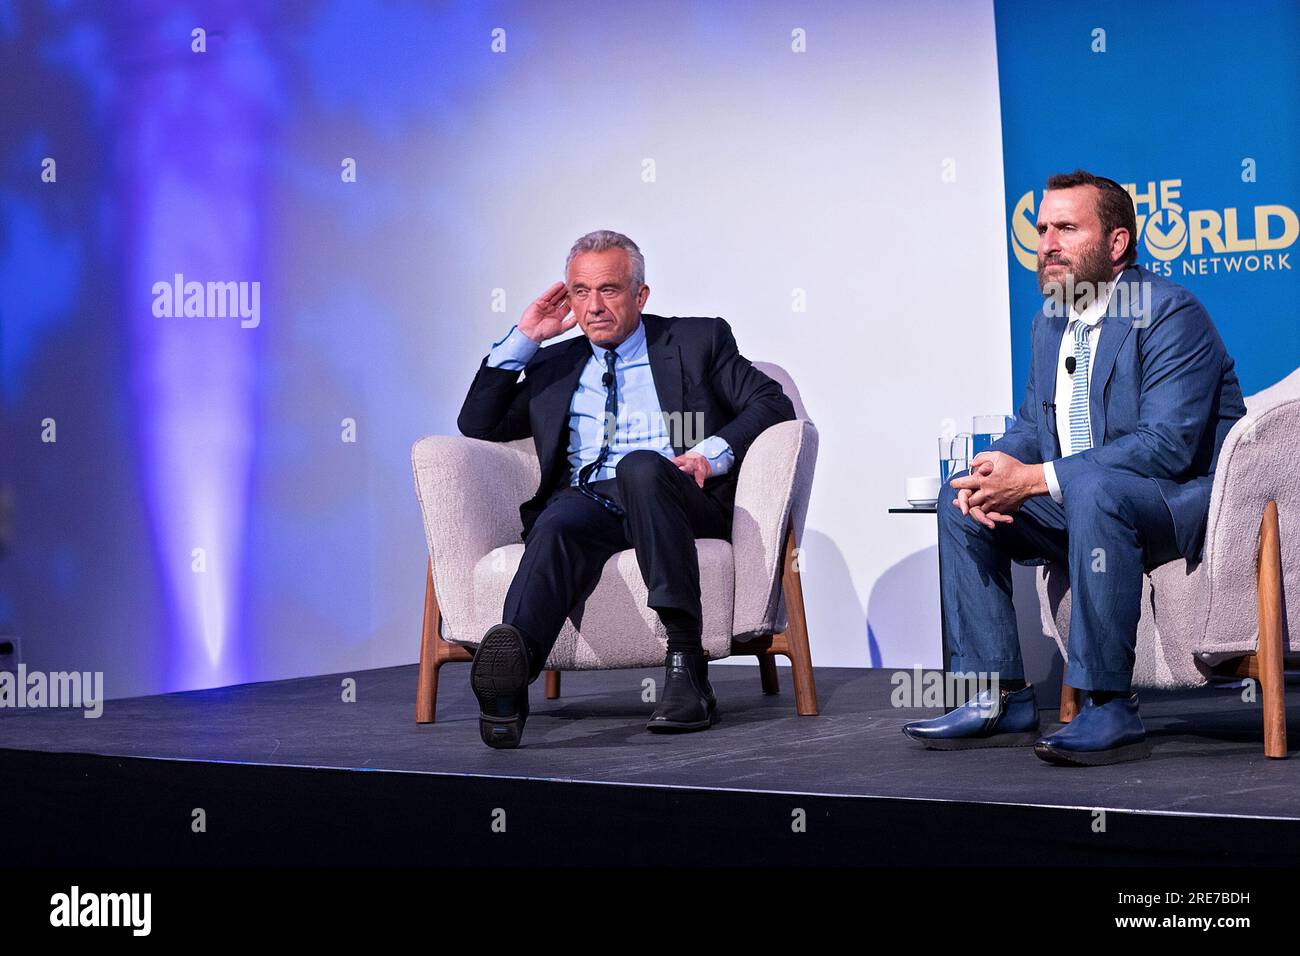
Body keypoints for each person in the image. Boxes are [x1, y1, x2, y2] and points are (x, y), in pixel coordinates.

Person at [902, 170, 1246, 766]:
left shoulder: (1167, 311)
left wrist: (1035, 479)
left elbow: (1167, 446)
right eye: (1041, 229)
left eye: (1066, 228)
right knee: (961, 502)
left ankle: (1108, 704)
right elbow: (1037, 426)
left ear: (1116, 244)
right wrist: (997, 467)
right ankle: (996, 695)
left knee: (1091, 487)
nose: (1048, 244)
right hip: (1087, 498)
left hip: (1178, 503)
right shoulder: (1050, 321)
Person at [458, 230, 795, 748]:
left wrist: (708, 453)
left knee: (641, 465)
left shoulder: (695, 340)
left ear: (640, 295)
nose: (593, 307)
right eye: (579, 292)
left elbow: (771, 404)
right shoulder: (554, 363)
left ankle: (687, 668)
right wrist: (526, 336)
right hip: (593, 503)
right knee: (557, 522)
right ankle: (510, 673)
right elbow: (477, 423)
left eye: (609, 290)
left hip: (677, 498)